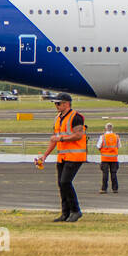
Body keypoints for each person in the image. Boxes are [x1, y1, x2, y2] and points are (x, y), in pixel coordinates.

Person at [38, 93, 86, 222]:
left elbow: (78, 135)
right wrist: (44, 156)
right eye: (55, 103)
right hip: (63, 156)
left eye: (58, 103)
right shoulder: (58, 118)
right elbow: (54, 139)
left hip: (75, 155)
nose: (56, 106)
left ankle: (76, 211)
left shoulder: (76, 117)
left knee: (65, 182)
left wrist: (61, 138)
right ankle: (65, 213)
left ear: (66, 103)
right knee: (61, 184)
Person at [97, 122, 120, 194]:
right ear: (112, 128)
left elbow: (98, 146)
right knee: (114, 173)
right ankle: (115, 188)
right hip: (114, 158)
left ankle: (104, 189)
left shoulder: (103, 137)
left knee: (105, 174)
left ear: (105, 128)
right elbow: (119, 146)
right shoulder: (116, 136)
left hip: (105, 158)